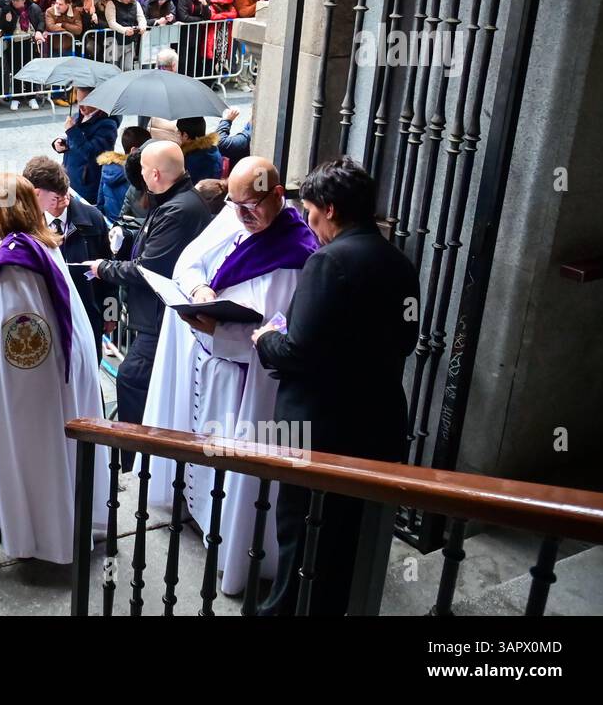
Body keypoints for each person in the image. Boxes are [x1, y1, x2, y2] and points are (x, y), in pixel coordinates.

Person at [142, 156, 317, 597]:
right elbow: (192, 263)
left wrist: (220, 329)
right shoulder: (237, 221)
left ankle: (233, 552)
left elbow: (280, 335)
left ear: (278, 196)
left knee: (233, 467)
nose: (242, 216)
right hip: (214, 368)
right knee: (208, 458)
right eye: (235, 205)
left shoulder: (296, 257)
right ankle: (204, 521)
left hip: (246, 383)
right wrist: (201, 292)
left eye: (252, 205)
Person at [253, 157, 418, 615]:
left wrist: (267, 339)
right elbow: (406, 338)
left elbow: (297, 352)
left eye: (309, 212)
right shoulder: (399, 262)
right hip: (379, 420)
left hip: (321, 426)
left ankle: (290, 609)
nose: (309, 223)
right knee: (350, 532)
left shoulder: (327, 261)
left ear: (329, 209)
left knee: (302, 528)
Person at [0, 173, 108, 563]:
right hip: (62, 368)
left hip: (30, 385)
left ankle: (39, 535)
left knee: (34, 454)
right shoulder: (41, 243)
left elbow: (15, 333)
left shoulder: (13, 264)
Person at [88, 141, 210, 466]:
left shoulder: (178, 208)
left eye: (143, 171)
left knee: (131, 377)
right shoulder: (175, 201)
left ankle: (134, 461)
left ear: (154, 174)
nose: (140, 177)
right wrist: (128, 240)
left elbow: (148, 268)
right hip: (157, 316)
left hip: (161, 317)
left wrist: (102, 268)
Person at [24, 156, 111, 362]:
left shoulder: (92, 218)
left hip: (88, 315)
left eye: (65, 193)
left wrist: (110, 313)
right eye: (54, 197)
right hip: (45, 319)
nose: (62, 200)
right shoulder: (27, 224)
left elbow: (109, 270)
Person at [52, 89, 119, 203]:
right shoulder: (79, 116)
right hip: (71, 176)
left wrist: (72, 131)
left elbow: (93, 154)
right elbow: (76, 139)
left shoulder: (107, 125)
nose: (81, 107)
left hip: (87, 184)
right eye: (78, 102)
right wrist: (62, 142)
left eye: (85, 103)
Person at [96, 124, 149, 222]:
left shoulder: (108, 166)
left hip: (110, 221)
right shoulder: (138, 174)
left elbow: (100, 200)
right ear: (134, 150)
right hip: (128, 227)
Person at [104, 0, 147, 71]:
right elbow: (111, 22)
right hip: (113, 41)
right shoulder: (111, 4)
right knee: (112, 69)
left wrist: (142, 26)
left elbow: (141, 18)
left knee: (127, 68)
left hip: (130, 41)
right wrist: (124, 30)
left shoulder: (136, 4)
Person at [175, 116, 224, 182]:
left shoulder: (187, 158)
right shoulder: (214, 149)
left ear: (185, 135)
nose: (177, 134)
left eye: (178, 132)